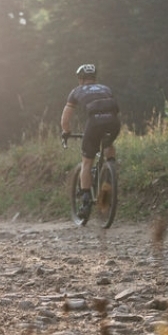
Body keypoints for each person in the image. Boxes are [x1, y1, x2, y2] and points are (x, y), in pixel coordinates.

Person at [61, 64, 121, 220]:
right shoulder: (105, 88)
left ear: (80, 79)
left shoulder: (76, 91)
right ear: (94, 78)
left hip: (95, 123)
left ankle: (86, 202)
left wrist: (66, 132)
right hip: (114, 122)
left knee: (87, 162)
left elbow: (65, 119)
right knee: (108, 144)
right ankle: (111, 169)